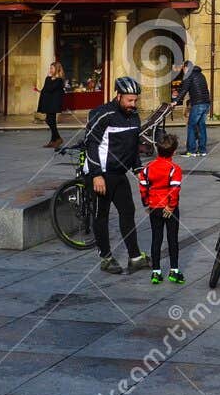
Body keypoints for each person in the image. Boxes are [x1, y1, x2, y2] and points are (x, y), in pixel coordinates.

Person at [85, 76, 153, 273]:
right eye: (129, 100)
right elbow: (91, 144)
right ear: (119, 96)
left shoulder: (134, 116)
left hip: (119, 173)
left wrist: (139, 169)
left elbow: (132, 147)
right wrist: (96, 174)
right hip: (101, 173)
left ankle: (135, 257)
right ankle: (106, 258)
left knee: (128, 212)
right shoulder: (104, 114)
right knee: (102, 215)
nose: (133, 104)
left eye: (135, 100)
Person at [138, 131, 184, 285]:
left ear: (157, 149)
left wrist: (146, 203)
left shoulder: (148, 167)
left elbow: (143, 186)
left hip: (154, 207)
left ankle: (156, 272)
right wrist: (171, 207)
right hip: (169, 207)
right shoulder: (174, 168)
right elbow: (174, 190)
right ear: (174, 151)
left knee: (156, 239)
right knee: (172, 239)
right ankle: (174, 271)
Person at [175, 59, 211, 157]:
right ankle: (202, 150)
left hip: (198, 104)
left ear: (186, 67)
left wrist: (175, 101)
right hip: (206, 103)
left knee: (191, 126)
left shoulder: (189, 75)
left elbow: (184, 90)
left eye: (183, 68)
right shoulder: (201, 75)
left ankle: (191, 151)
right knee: (201, 126)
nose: (183, 71)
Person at [36, 60, 66, 147]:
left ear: (56, 69)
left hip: (53, 103)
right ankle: (55, 140)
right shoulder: (48, 78)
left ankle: (56, 139)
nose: (50, 70)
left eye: (52, 68)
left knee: (50, 120)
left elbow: (50, 88)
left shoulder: (59, 80)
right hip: (47, 102)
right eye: (50, 68)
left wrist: (49, 79)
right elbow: (45, 88)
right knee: (49, 120)